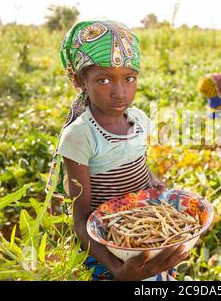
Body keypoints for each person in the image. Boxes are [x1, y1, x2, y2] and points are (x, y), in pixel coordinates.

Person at [45, 20, 188, 281]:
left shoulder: (139, 119)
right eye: (103, 80)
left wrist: (153, 181)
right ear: (80, 81)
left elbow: (136, 159)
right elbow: (80, 220)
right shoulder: (80, 136)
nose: (119, 92)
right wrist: (118, 271)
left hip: (149, 232)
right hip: (110, 246)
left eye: (129, 78)